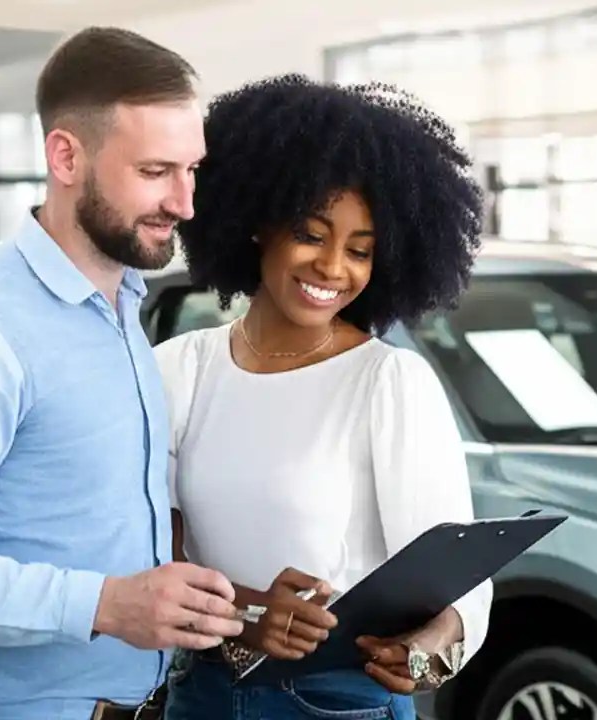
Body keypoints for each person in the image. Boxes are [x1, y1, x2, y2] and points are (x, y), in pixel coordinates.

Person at [0, 27, 244, 720]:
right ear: (66, 156)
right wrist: (108, 605)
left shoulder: (123, 305)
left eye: (192, 170)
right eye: (156, 171)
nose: (185, 202)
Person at [154, 74, 494, 719]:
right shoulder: (179, 368)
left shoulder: (387, 385)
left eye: (360, 251)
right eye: (311, 235)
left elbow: (453, 585)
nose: (333, 269)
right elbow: (148, 548)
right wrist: (248, 612)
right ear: (258, 224)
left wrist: (428, 650)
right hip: (200, 694)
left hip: (337, 701)